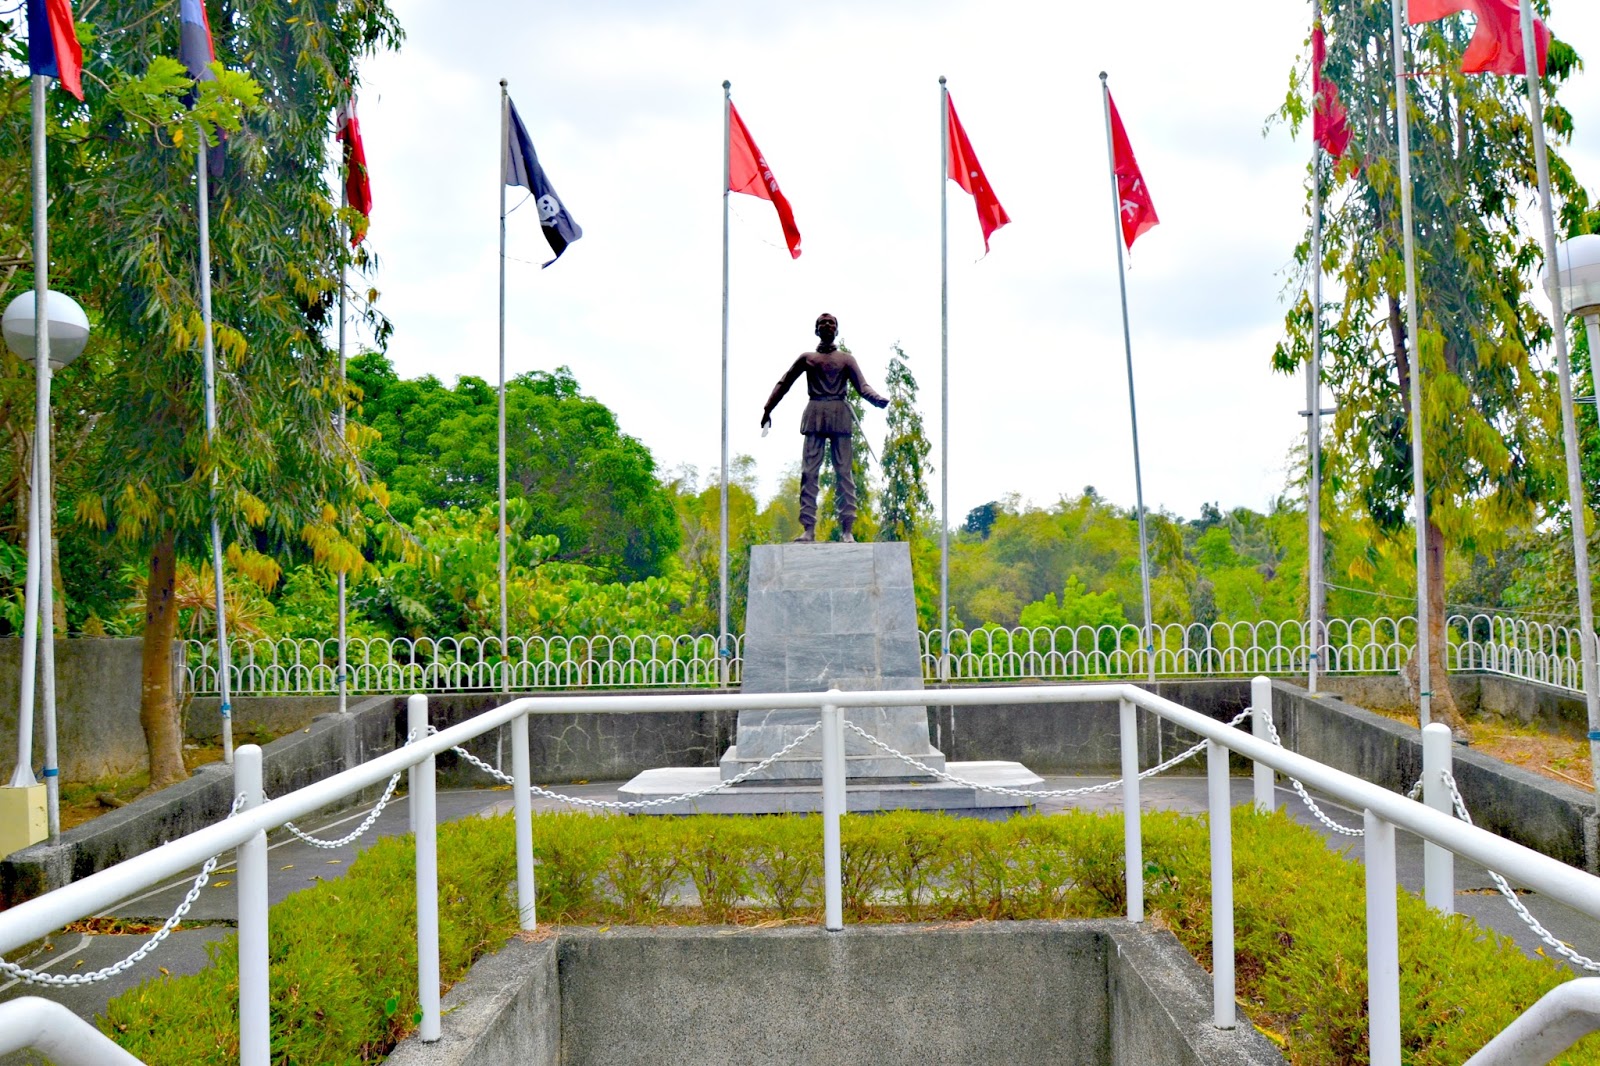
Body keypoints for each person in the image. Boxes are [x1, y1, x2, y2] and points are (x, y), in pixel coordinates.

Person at [760, 313, 888, 542]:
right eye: (822, 323)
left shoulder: (847, 359)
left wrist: (876, 399)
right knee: (809, 473)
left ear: (837, 330)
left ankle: (847, 529)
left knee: (844, 473)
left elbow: (862, 385)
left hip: (840, 414)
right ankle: (808, 528)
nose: (827, 325)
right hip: (815, 413)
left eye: (832, 323)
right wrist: (768, 408)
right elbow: (785, 382)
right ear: (816, 330)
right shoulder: (807, 358)